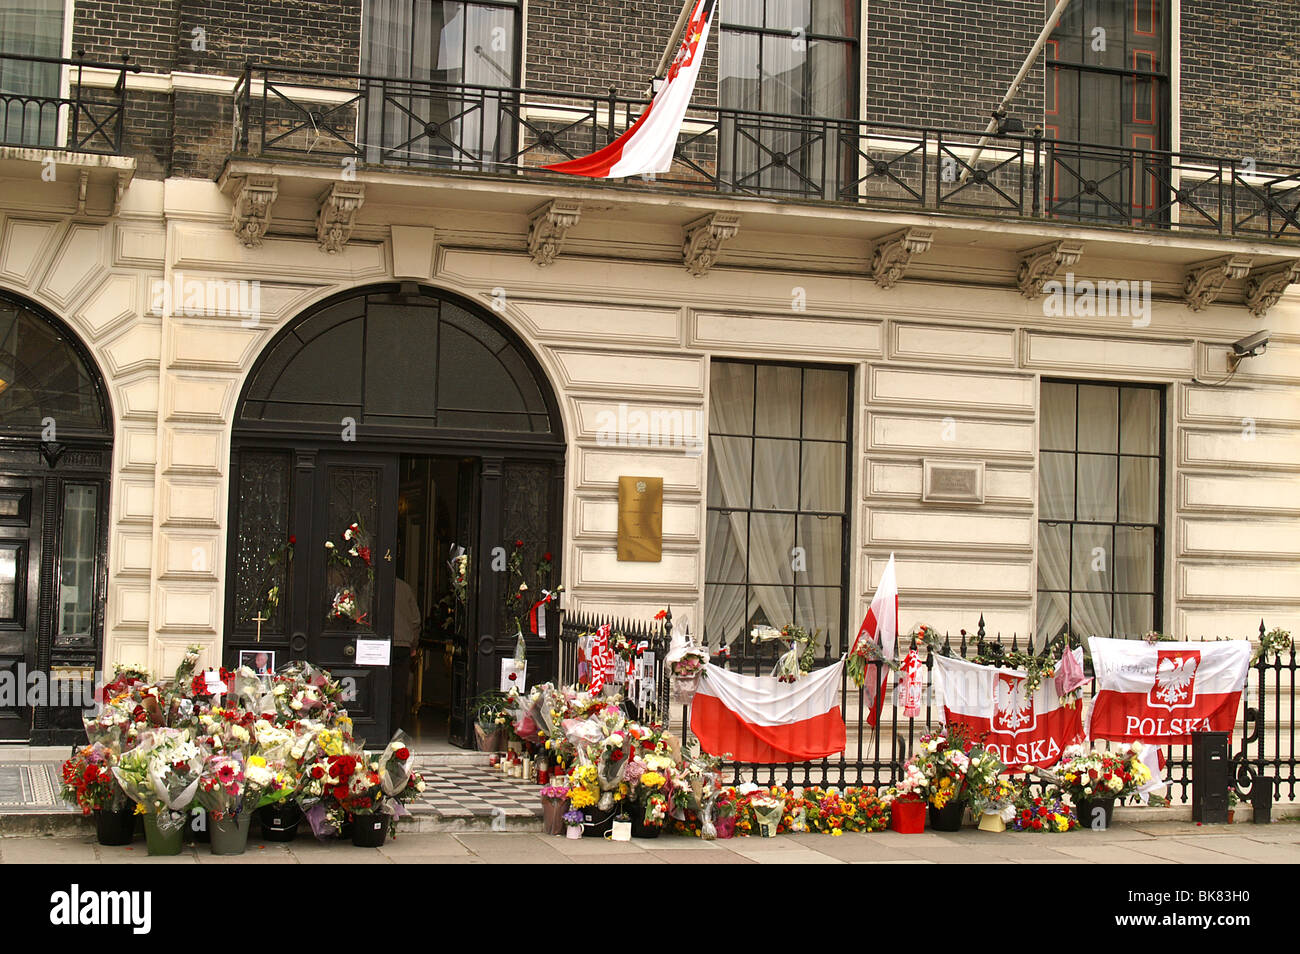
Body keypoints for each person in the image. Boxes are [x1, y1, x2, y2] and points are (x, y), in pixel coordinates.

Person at [392, 577, 422, 730]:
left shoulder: (372, 584)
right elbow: (415, 621)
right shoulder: (405, 587)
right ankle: (396, 729)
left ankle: (380, 730)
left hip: (377, 646)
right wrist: (413, 644)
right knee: (399, 690)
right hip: (403, 645)